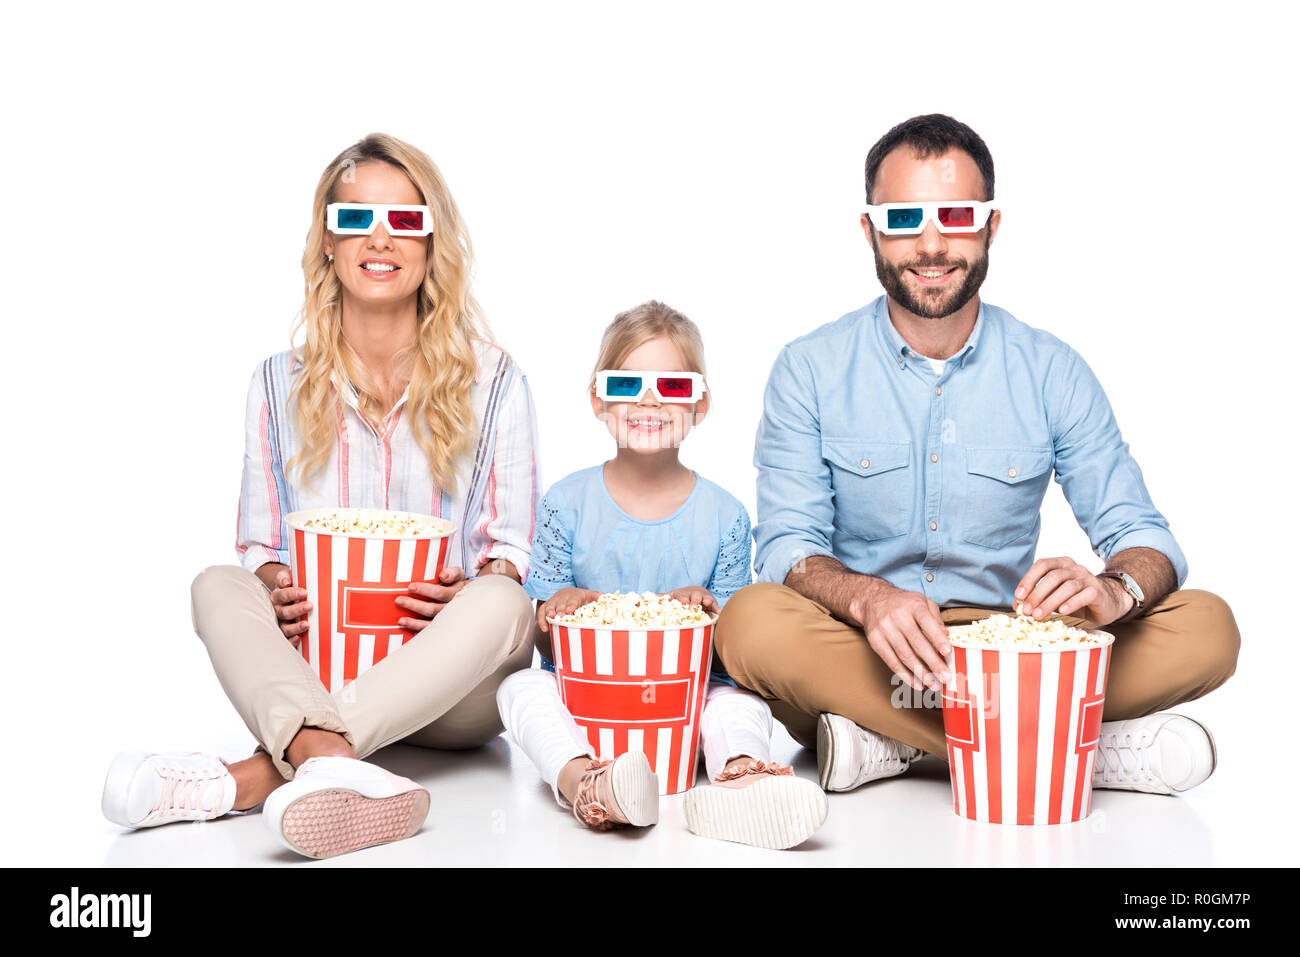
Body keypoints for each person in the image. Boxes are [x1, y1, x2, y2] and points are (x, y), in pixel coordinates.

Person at [715, 114, 1240, 797]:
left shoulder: (1052, 370)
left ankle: (892, 741)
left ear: (991, 227)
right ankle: (1081, 747)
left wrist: (1114, 589)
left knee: (1209, 626)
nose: (932, 244)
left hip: (1016, 645)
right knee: (750, 623)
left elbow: (1143, 535)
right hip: (868, 648)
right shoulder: (809, 368)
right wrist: (869, 598)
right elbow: (789, 545)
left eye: (957, 217)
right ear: (870, 231)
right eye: (904, 219)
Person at [101, 133, 537, 858]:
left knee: (506, 605)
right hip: (318, 667)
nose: (380, 239)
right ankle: (331, 760)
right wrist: (275, 583)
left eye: (405, 220)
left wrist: (472, 588)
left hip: (450, 690)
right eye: (356, 218)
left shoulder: (495, 383)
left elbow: (510, 553)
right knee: (217, 584)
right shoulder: (275, 384)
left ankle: (247, 778)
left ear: (431, 243)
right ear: (328, 241)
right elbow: (262, 548)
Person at [496, 301, 827, 850]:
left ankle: (741, 780)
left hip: (684, 708)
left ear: (699, 406)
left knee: (740, 702)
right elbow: (544, 641)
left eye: (672, 386)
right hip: (590, 705)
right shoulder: (565, 503)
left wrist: (706, 613)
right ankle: (588, 782)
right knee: (521, 688)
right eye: (627, 385)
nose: (649, 401)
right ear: (599, 400)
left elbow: (732, 652)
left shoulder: (725, 515)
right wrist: (561, 608)